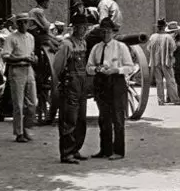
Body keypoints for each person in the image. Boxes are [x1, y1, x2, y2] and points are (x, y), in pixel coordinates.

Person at [86, 19, 133, 160]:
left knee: (118, 119)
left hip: (116, 83)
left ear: (113, 33)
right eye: (103, 31)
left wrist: (116, 70)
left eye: (108, 31)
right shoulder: (96, 48)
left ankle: (118, 151)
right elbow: (89, 67)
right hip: (101, 84)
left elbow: (130, 67)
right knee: (103, 118)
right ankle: (105, 150)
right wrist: (97, 69)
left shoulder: (121, 47)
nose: (106, 34)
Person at [51, 12, 92, 164]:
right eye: (81, 27)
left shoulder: (83, 43)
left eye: (85, 27)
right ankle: (66, 153)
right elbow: (57, 67)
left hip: (81, 86)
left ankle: (76, 149)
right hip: (70, 86)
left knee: (81, 120)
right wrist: (63, 82)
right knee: (69, 120)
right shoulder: (66, 44)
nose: (83, 30)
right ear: (74, 28)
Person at [1, 11, 39, 143]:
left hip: (29, 70)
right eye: (20, 22)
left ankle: (27, 128)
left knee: (33, 103)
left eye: (25, 22)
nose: (23, 24)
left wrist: (34, 58)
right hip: (16, 71)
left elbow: (32, 53)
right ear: (17, 24)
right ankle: (19, 132)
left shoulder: (30, 37)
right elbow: (5, 57)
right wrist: (21, 58)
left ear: (29, 23)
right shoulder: (11, 38)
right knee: (18, 103)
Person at [147, 20, 180, 106]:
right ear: (164, 27)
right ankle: (175, 99)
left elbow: (148, 48)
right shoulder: (168, 37)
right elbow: (173, 48)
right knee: (170, 81)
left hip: (155, 62)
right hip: (166, 62)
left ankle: (160, 100)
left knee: (159, 82)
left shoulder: (152, 36)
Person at [168, 22, 180, 101]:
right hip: (169, 62)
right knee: (170, 80)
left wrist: (171, 41)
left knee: (178, 80)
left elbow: (176, 47)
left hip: (177, 62)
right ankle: (169, 97)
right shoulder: (168, 39)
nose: (170, 33)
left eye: (171, 32)